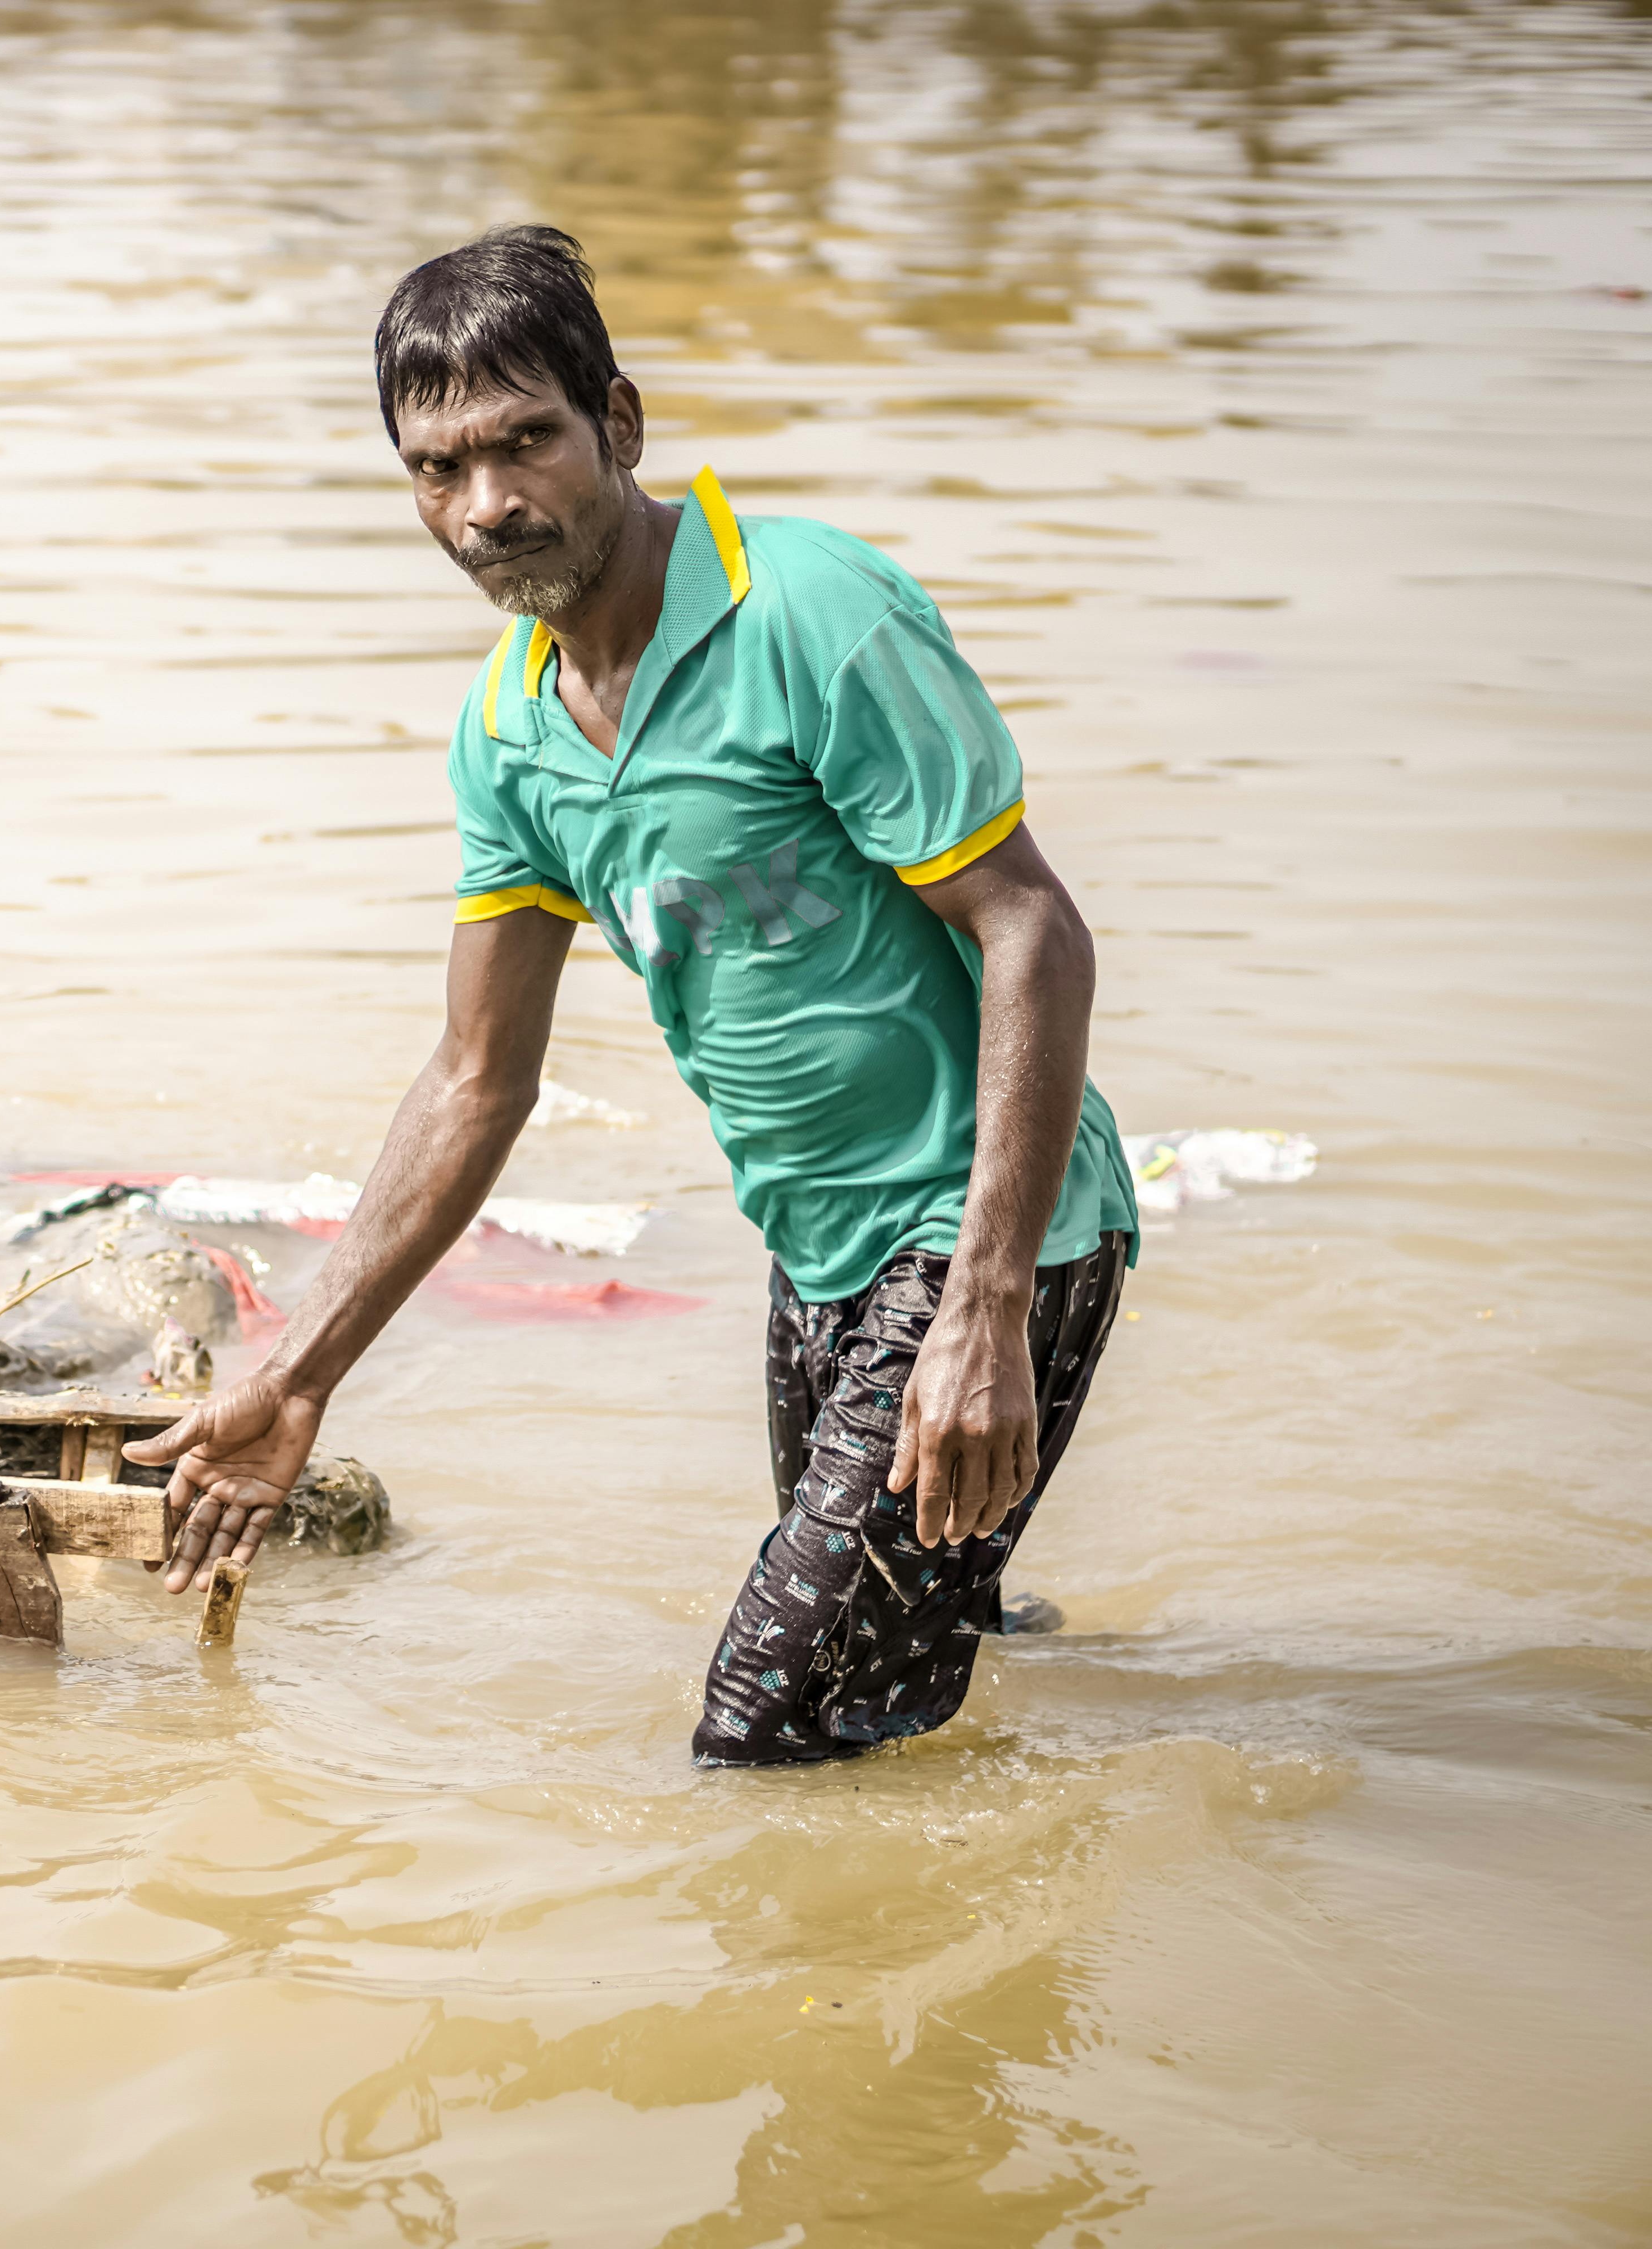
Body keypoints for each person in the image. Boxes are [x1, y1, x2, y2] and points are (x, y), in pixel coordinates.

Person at [129, 225, 1140, 1765]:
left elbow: (1032, 934)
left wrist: (987, 1308)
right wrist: (295, 1373)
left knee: (766, 1725)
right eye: (437, 469)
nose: (488, 507)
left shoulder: (807, 613)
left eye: (524, 441)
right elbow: (477, 1078)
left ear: (621, 423)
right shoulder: (511, 728)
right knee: (909, 1640)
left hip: (1000, 1234)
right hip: (816, 1253)